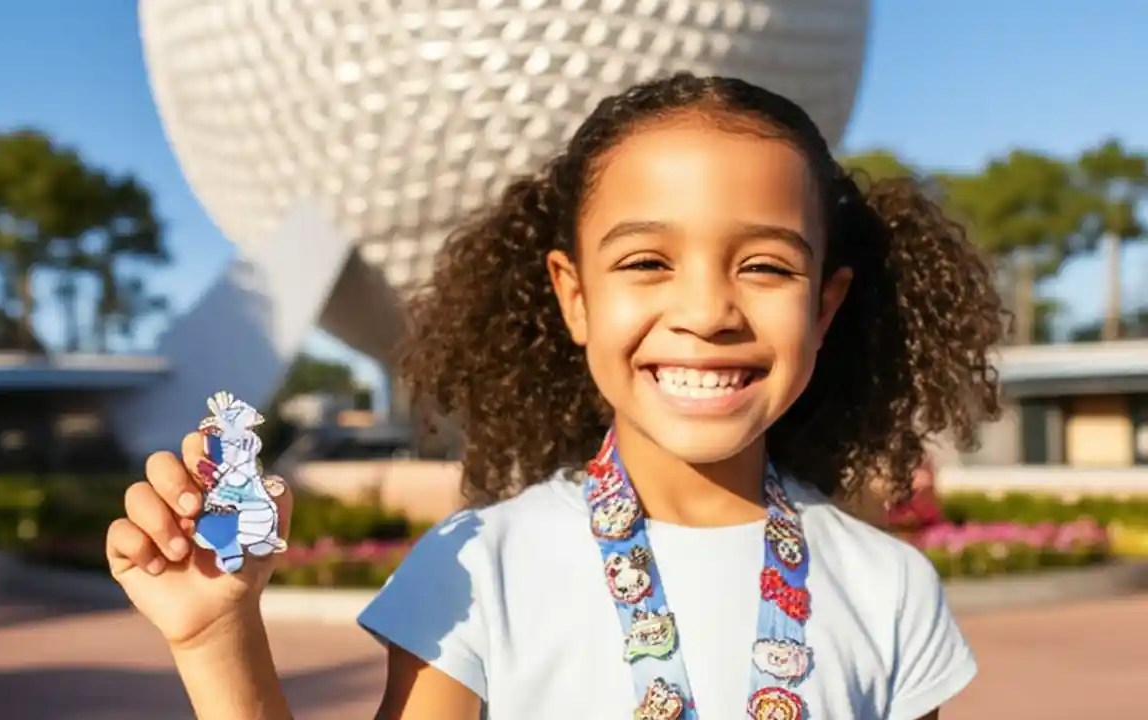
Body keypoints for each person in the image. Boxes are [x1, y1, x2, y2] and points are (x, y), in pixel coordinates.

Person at [107, 73, 1004, 719]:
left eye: (766, 266)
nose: (706, 312)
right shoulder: (477, 568)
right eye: (646, 262)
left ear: (826, 306)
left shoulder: (889, 589)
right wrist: (217, 641)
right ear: (574, 296)